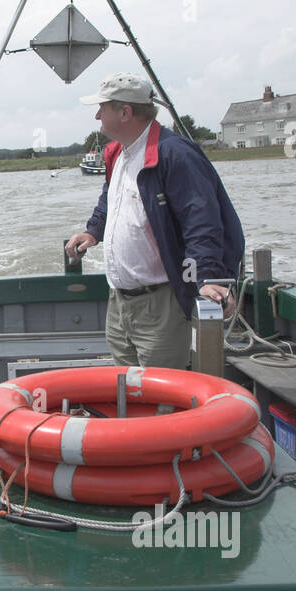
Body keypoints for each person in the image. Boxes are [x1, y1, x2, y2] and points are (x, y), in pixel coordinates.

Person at [65, 73, 243, 369]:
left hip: (161, 304)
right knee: (128, 390)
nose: (97, 115)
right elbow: (111, 197)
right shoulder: (118, 153)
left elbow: (202, 222)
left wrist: (210, 278)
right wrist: (93, 231)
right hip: (119, 303)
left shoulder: (175, 155)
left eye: (103, 108)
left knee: (161, 397)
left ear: (125, 112)